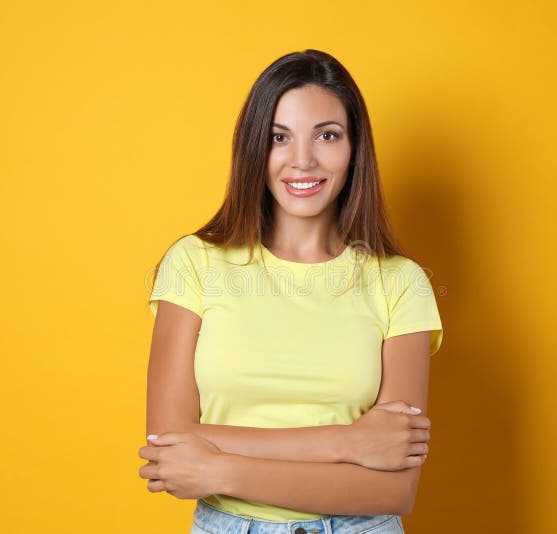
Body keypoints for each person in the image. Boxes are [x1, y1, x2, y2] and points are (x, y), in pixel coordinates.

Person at [138, 49, 444, 534]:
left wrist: (221, 468)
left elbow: (393, 488)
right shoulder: (194, 263)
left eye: (327, 135)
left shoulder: (400, 282)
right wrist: (349, 444)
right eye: (279, 138)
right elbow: (170, 445)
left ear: (354, 148)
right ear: (253, 148)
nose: (302, 160)